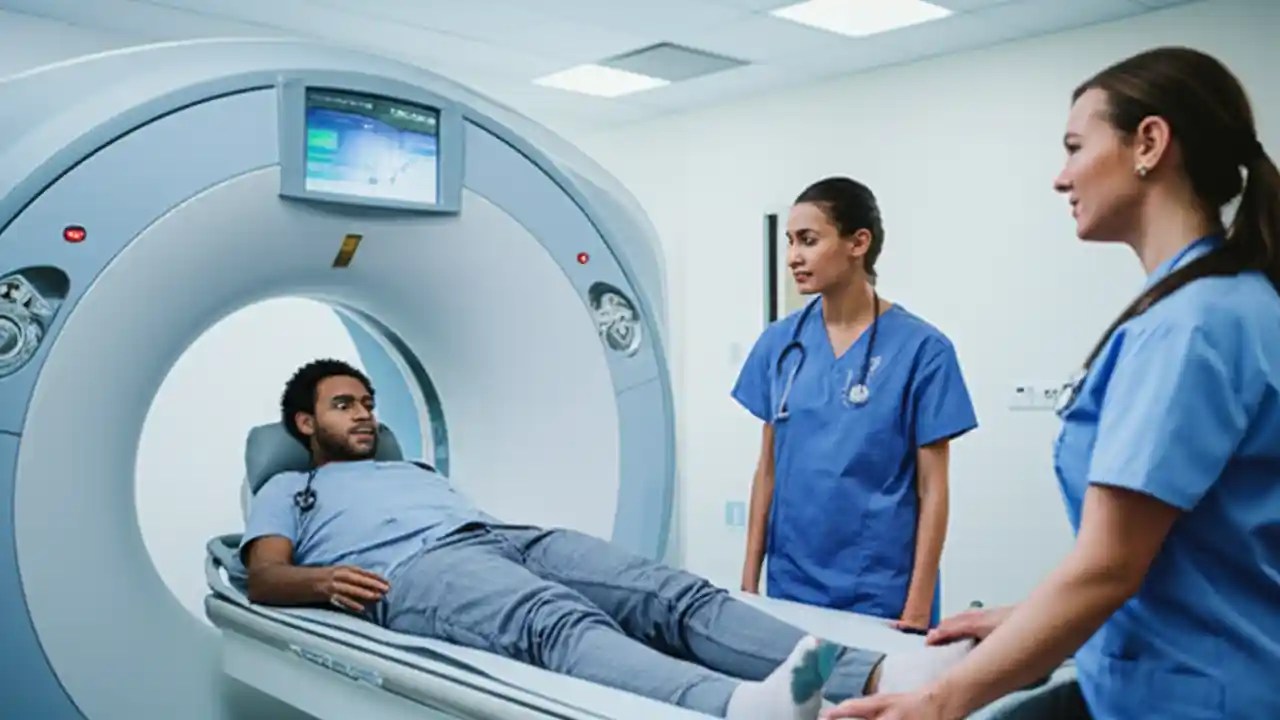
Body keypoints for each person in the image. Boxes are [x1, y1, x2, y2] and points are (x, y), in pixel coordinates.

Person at [824, 46, 1280, 720]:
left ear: (1149, 142)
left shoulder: (1189, 328)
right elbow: (1171, 551)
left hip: (1185, 695)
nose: (1061, 178)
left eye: (1075, 146)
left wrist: (941, 702)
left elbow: (1109, 566)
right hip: (1177, 669)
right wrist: (1022, 618)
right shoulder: (1234, 301)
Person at [240, 359, 978, 720]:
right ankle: (740, 706)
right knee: (554, 623)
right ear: (305, 424)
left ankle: (878, 675)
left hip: (502, 536)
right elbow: (265, 578)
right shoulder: (290, 489)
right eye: (344, 406)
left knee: (670, 593)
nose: (364, 415)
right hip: (416, 572)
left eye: (368, 403)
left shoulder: (413, 466)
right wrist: (324, 580)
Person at [733, 177, 978, 630]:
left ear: (857, 243)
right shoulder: (780, 344)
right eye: (789, 241)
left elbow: (934, 489)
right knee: (802, 700)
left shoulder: (924, 350)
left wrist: (918, 607)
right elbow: (766, 470)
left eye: (808, 240)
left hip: (881, 592)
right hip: (791, 587)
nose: (792, 257)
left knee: (869, 702)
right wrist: (749, 584)